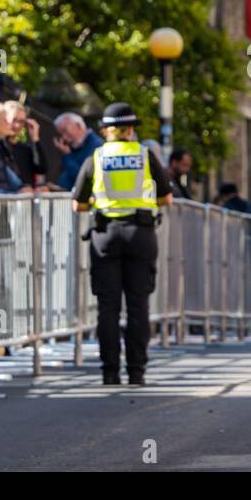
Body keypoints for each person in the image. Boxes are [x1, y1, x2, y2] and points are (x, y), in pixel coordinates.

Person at [72, 102, 173, 385]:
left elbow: (77, 204)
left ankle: (110, 371)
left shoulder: (96, 157)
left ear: (106, 130)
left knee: (108, 306)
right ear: (131, 129)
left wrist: (95, 202)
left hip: (105, 235)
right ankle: (137, 371)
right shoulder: (145, 155)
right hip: (140, 235)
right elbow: (166, 198)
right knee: (138, 304)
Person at [54, 111, 104, 191]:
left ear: (79, 126)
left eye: (65, 131)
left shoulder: (96, 146)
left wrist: (67, 155)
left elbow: (82, 178)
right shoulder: (72, 147)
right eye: (61, 134)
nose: (64, 138)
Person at [3, 101, 47, 190]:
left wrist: (35, 137)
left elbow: (41, 168)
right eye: (14, 120)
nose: (17, 125)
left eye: (21, 121)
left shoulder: (24, 149)